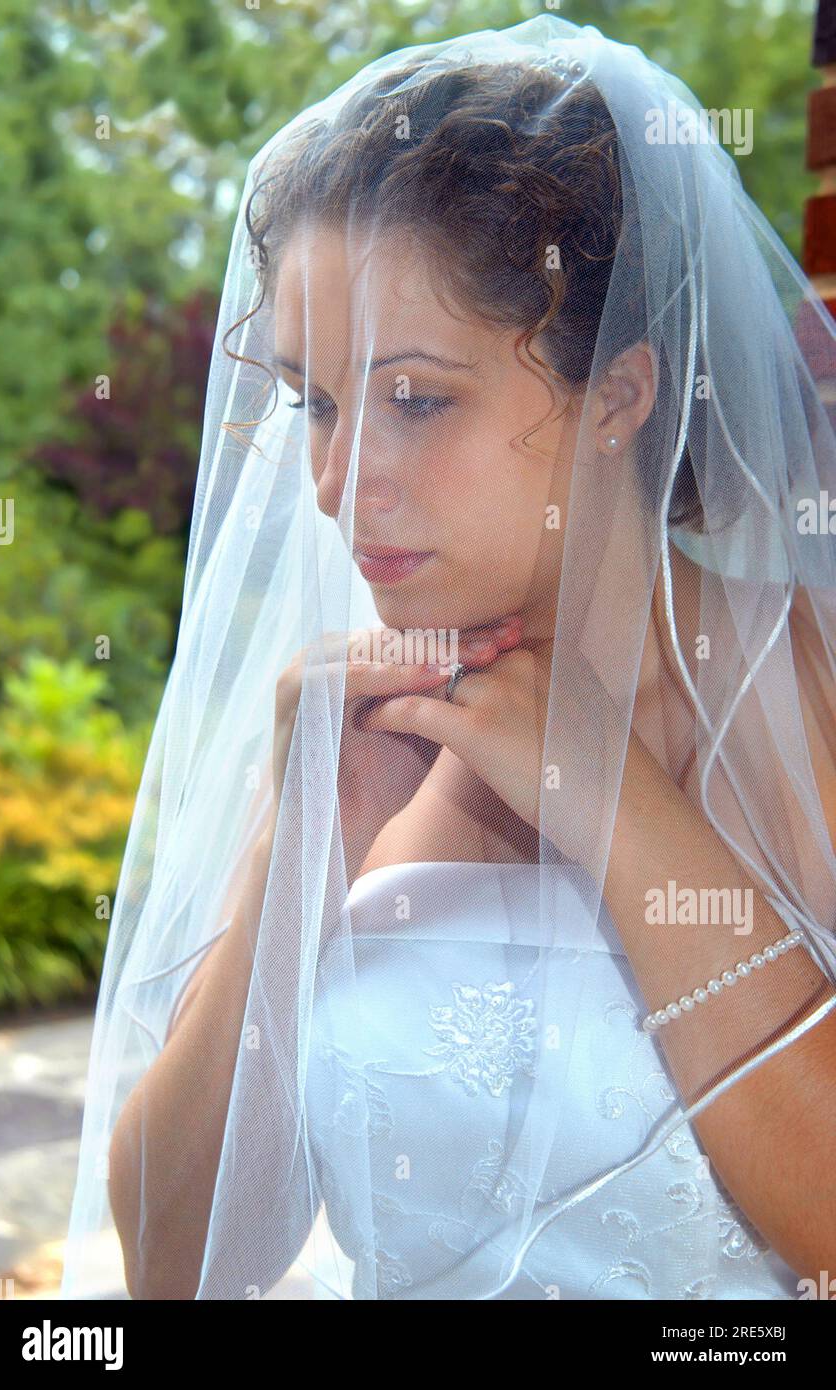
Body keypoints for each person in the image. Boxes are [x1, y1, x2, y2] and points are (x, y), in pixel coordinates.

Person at [62, 14, 836, 1300]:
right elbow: (176, 1268)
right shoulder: (371, 726)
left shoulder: (811, 685)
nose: (337, 482)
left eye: (416, 399)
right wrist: (298, 848)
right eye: (316, 403)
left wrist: (610, 798)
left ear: (623, 394)